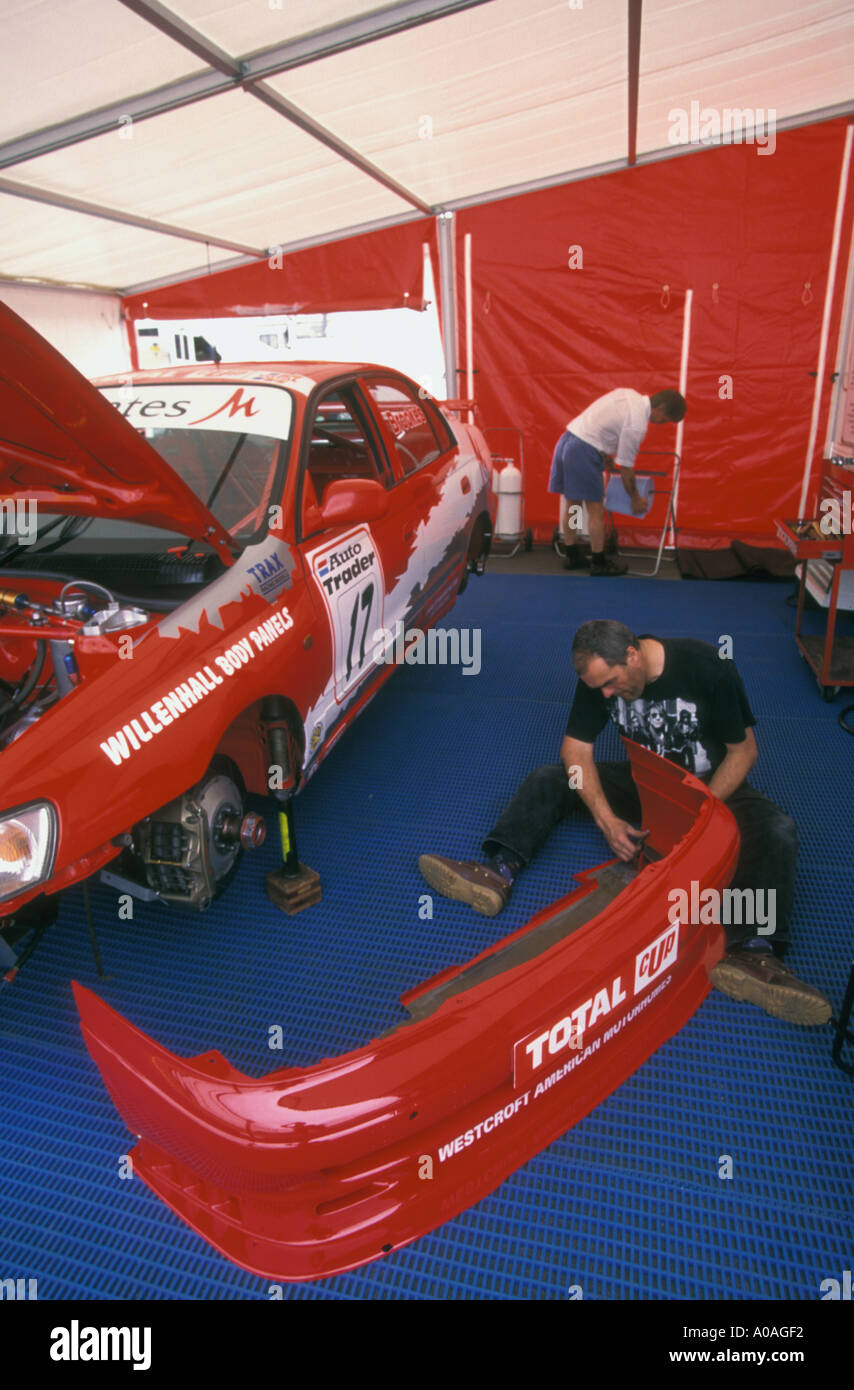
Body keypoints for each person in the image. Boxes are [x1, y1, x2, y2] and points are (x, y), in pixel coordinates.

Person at [418, 619, 831, 1027]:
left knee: (776, 829)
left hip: (709, 787)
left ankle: (753, 953)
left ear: (633, 655)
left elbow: (744, 752)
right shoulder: (597, 678)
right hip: (646, 781)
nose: (606, 694)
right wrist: (608, 821)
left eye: (611, 683)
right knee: (554, 777)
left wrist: (700, 811)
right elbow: (575, 751)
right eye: (599, 688)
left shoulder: (708, 667)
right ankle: (498, 870)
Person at [550, 387, 686, 576]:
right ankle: (598, 562)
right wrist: (635, 498)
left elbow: (602, 422)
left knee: (574, 505)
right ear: (660, 408)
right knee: (595, 509)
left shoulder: (629, 394)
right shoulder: (637, 423)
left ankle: (572, 554)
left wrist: (605, 454)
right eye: (665, 419)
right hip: (583, 451)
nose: (662, 424)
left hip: (568, 439)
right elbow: (626, 470)